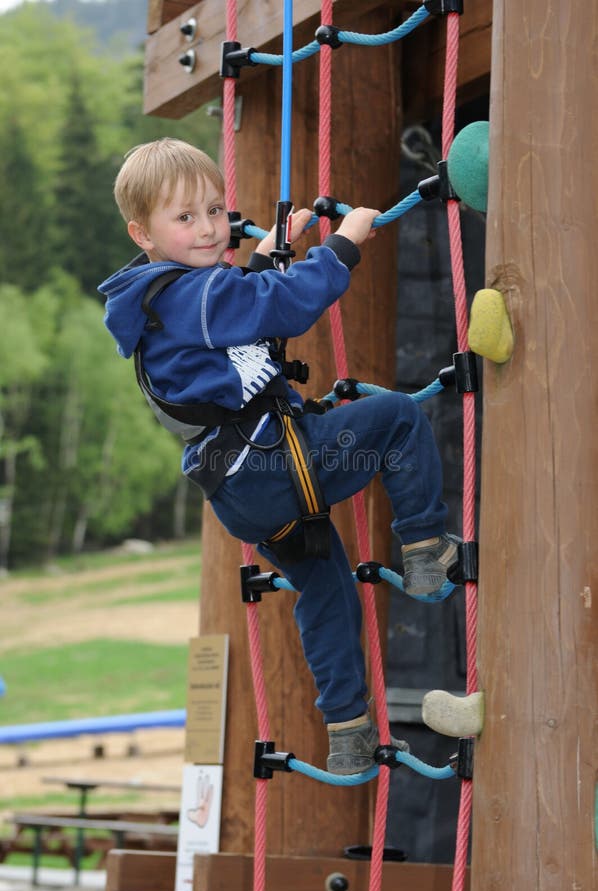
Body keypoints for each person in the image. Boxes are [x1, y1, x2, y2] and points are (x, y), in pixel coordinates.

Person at [100, 138, 460, 775]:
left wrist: (265, 258)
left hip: (246, 493)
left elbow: (248, 332)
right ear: (143, 234)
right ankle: (426, 549)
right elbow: (281, 308)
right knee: (398, 420)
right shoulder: (188, 296)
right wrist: (342, 248)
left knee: (326, 591)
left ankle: (347, 729)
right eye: (184, 219)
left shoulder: (185, 298)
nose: (210, 228)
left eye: (215, 210)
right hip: (274, 461)